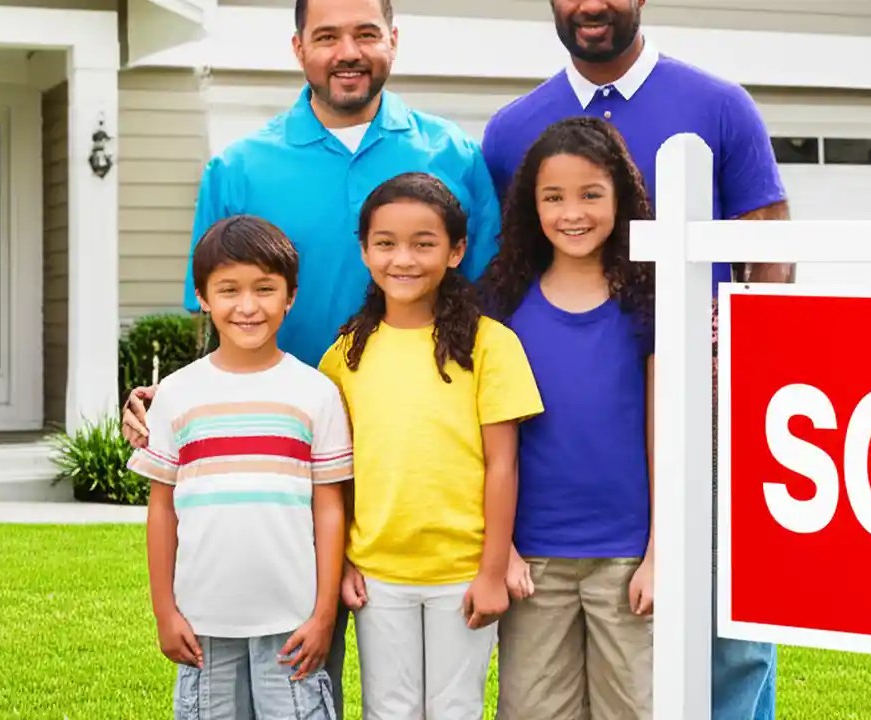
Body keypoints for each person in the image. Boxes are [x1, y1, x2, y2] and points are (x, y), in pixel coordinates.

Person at [121, 0, 501, 714]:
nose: (347, 52)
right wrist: (160, 399)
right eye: (327, 36)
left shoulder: (454, 156)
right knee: (294, 676)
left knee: (428, 697)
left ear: (395, 40)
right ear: (298, 47)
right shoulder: (238, 166)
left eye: (365, 33)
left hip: (420, 480)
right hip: (284, 470)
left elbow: (487, 308)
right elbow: (208, 327)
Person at [479, 2, 793, 718]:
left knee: (728, 628)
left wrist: (749, 360)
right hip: (574, 405)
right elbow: (510, 263)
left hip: (709, 395)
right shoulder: (513, 130)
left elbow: (768, 243)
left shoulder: (718, 106)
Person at [319, 172, 543, 719]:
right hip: (378, 573)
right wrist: (346, 558)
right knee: (387, 709)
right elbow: (336, 473)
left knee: (456, 709)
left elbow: (502, 464)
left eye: (425, 243)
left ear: (456, 250)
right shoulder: (344, 356)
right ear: (364, 249)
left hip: (462, 571)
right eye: (386, 243)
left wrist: (492, 571)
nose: (404, 258)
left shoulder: (492, 345)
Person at [128, 215, 352, 720]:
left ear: (290, 296)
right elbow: (161, 510)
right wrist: (165, 612)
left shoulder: (315, 392)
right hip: (203, 626)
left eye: (265, 289)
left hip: (292, 626)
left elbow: (329, 508)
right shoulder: (177, 395)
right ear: (203, 296)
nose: (247, 306)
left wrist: (323, 615)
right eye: (228, 290)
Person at [479, 116, 656, 719]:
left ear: (622, 199)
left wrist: (660, 553)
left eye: (590, 195)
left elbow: (664, 432)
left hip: (627, 558)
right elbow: (482, 440)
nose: (572, 212)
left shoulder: (647, 300)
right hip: (533, 559)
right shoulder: (502, 302)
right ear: (532, 205)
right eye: (553, 197)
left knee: (635, 709)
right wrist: (500, 549)